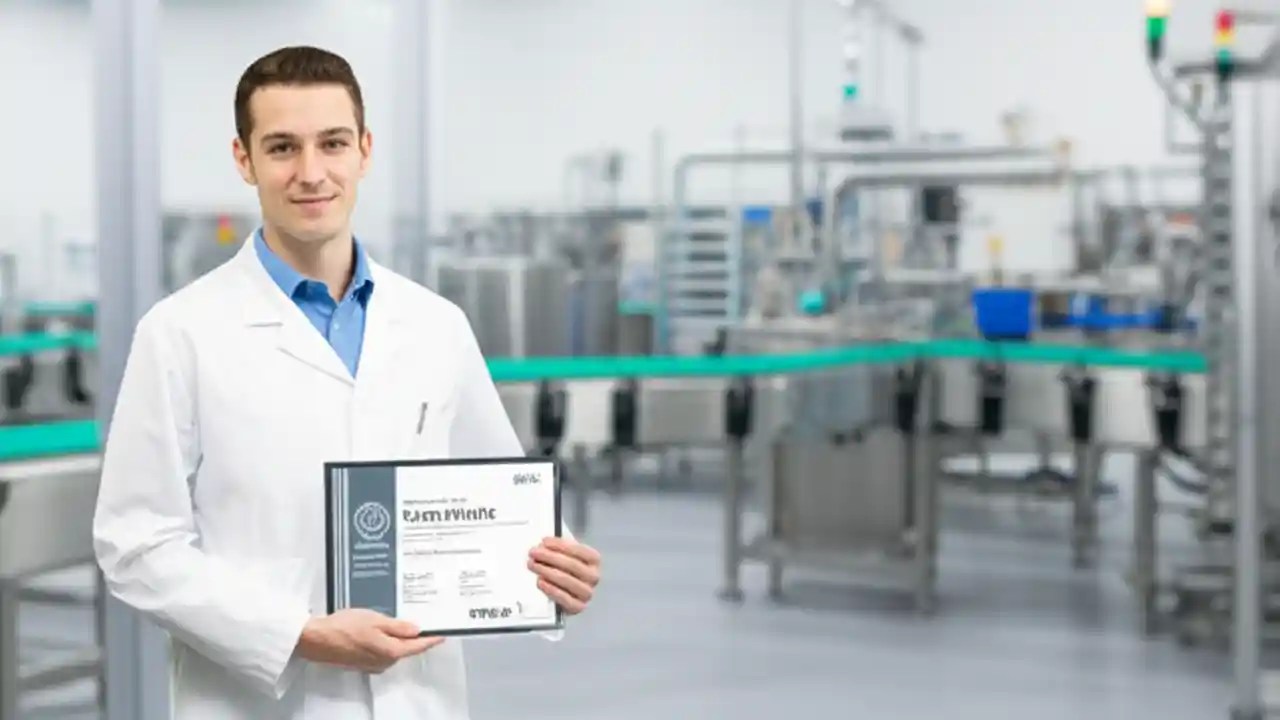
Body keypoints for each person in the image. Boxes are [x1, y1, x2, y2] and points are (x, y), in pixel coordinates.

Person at [92, 45, 602, 720]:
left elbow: (502, 492)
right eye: (282, 148)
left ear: (364, 150)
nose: (311, 173)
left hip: (419, 699)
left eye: (332, 143)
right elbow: (135, 544)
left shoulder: (435, 325)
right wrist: (298, 635)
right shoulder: (180, 332)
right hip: (257, 704)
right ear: (244, 159)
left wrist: (557, 566)